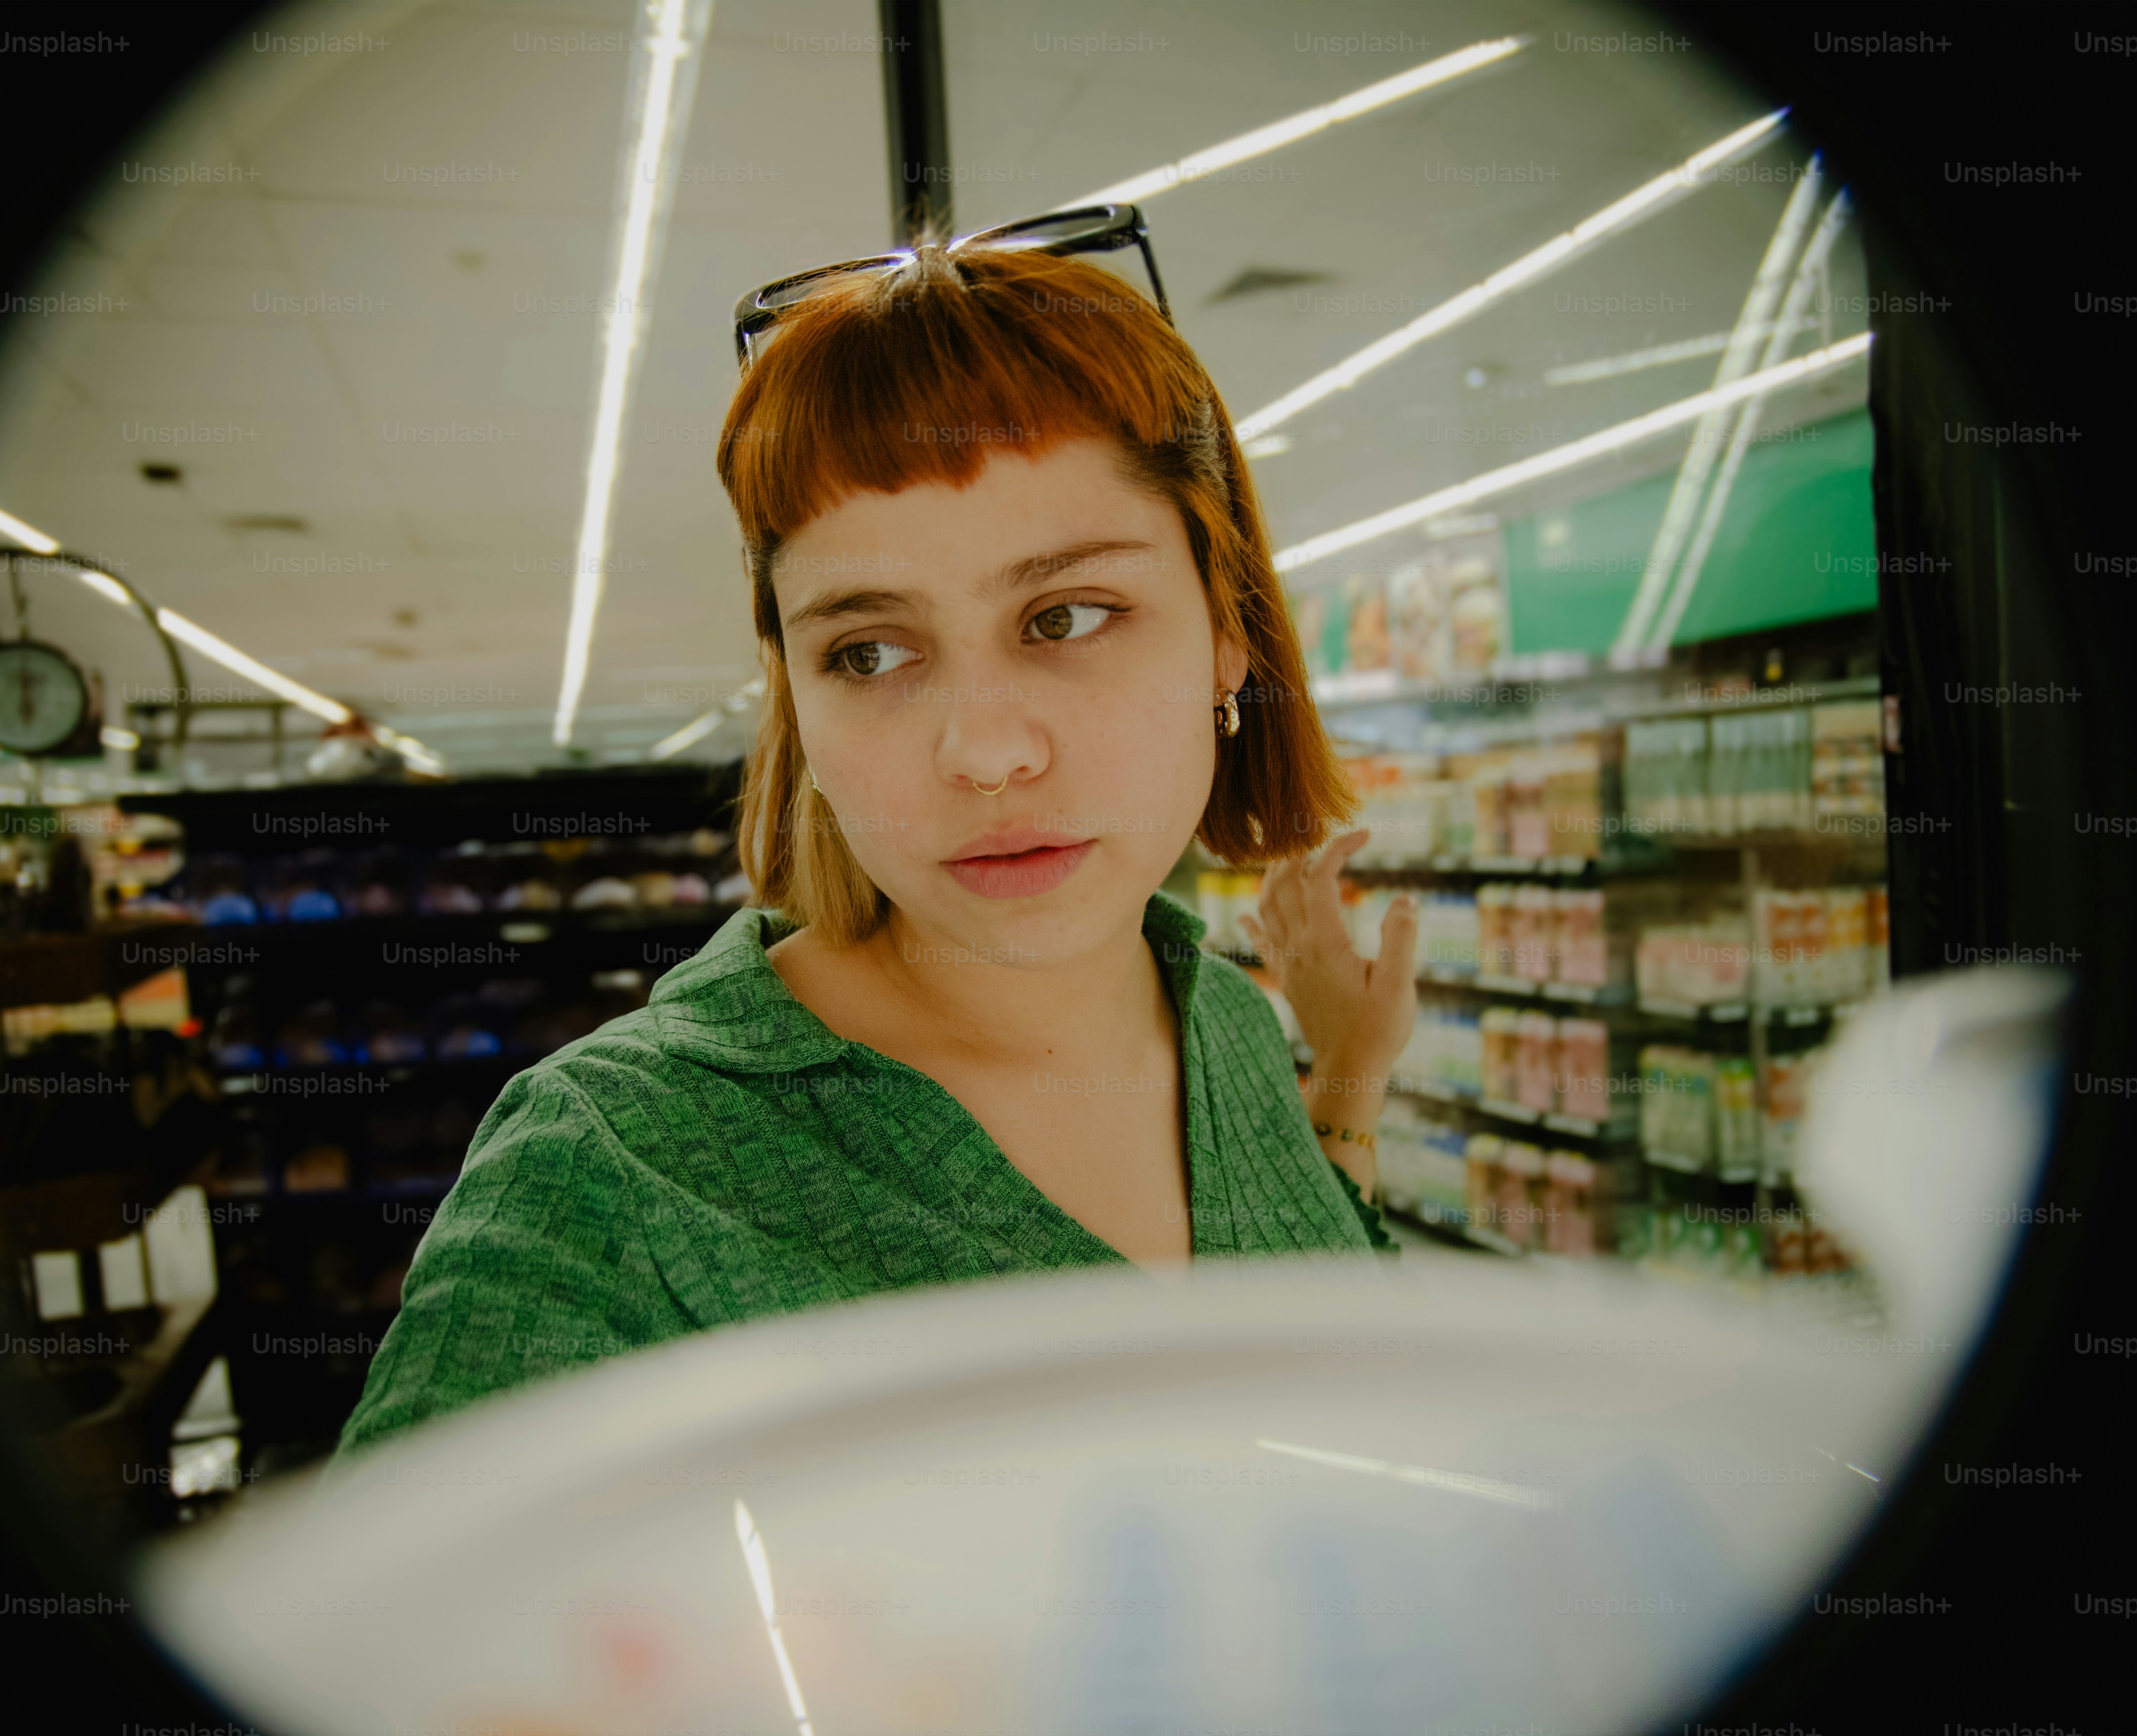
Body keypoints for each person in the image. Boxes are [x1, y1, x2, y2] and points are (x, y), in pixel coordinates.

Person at [336, 224, 1421, 1459]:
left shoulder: (1223, 1020)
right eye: (868, 651)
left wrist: (1347, 1079)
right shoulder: (614, 1166)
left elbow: (1327, 1331)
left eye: (1064, 615)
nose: (985, 750)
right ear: (798, 691)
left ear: (1225, 639)